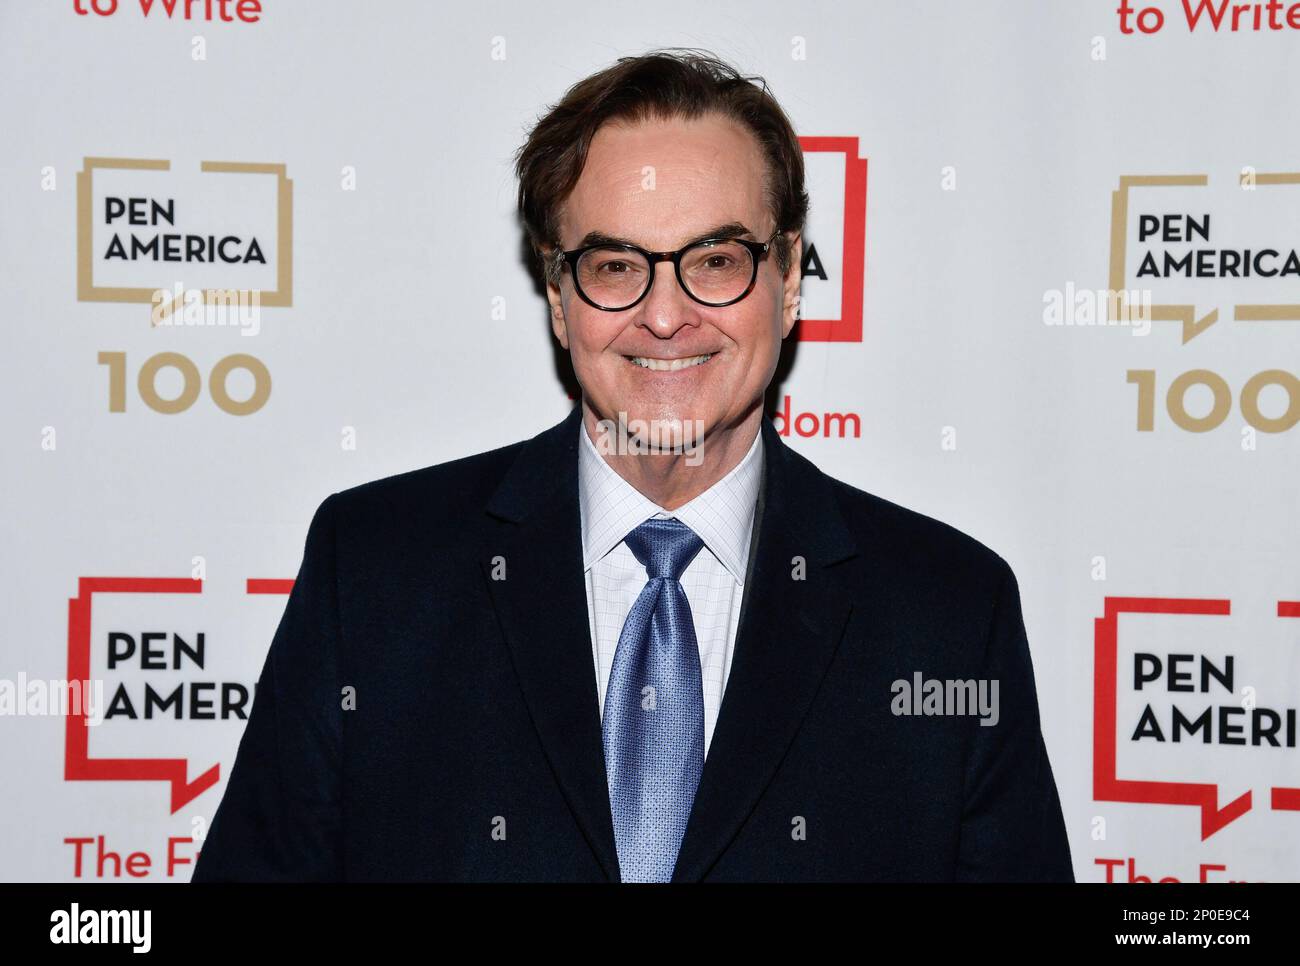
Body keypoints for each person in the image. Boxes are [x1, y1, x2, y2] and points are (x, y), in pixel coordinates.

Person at [192, 49, 1074, 882]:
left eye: (716, 261)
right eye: (615, 265)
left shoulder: (951, 612)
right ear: (558, 295)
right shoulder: (377, 573)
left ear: (792, 274)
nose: (665, 315)